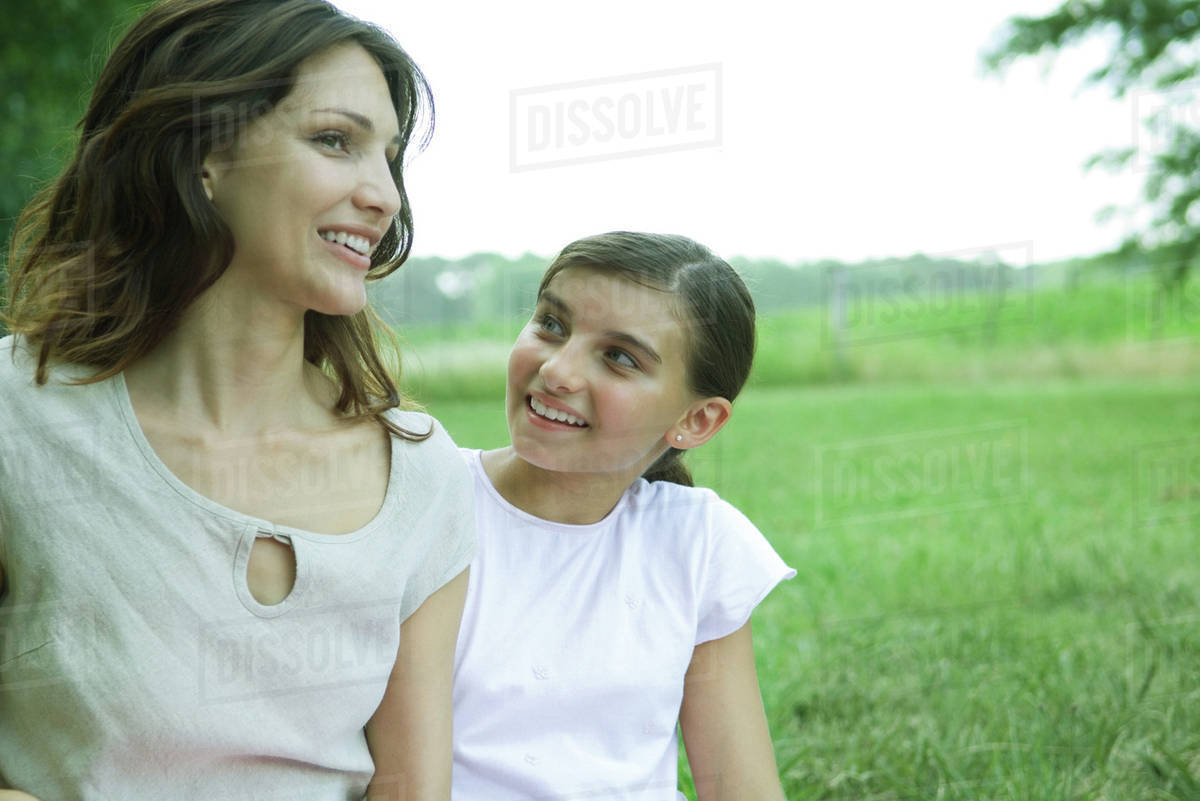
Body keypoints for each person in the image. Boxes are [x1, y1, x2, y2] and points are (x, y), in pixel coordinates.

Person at [0, 1, 474, 799]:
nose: (384, 195)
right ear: (204, 155)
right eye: (335, 140)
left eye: (388, 158)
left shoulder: (423, 473)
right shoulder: (18, 419)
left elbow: (412, 788)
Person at [451, 231, 795, 800]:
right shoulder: (432, 498)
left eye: (618, 357)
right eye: (552, 325)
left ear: (697, 420)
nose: (558, 371)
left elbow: (739, 786)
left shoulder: (696, 540)